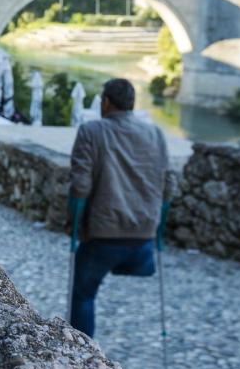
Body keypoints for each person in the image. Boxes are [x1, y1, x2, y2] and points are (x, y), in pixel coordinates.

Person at [67, 78, 170, 337]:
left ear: (106, 102)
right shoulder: (155, 133)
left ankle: (82, 351)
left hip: (103, 235)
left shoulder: (91, 131)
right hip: (143, 237)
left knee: (82, 295)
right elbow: (170, 186)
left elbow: (80, 187)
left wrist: (74, 224)